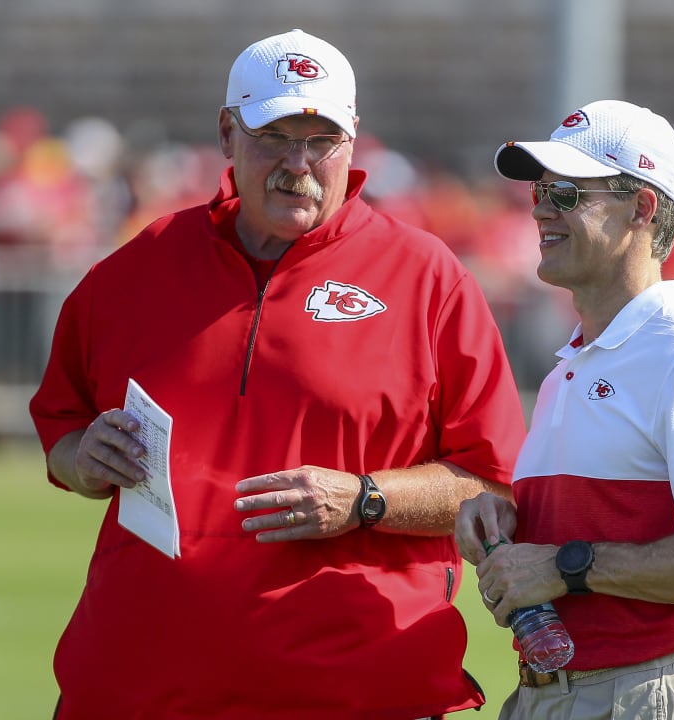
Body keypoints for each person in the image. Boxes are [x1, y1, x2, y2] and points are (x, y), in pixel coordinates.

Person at [29, 29, 526, 720]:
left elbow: (494, 485)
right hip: (138, 691)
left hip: (351, 694)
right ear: (227, 132)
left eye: (321, 140)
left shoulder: (426, 278)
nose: (299, 164)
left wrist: (364, 498)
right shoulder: (134, 269)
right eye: (275, 135)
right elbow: (62, 420)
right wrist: (83, 459)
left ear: (353, 142)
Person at [456, 100, 674, 720]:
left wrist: (564, 567)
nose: (542, 208)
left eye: (569, 193)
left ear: (643, 207)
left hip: (647, 693)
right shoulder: (573, 364)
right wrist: (509, 522)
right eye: (541, 189)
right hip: (558, 693)